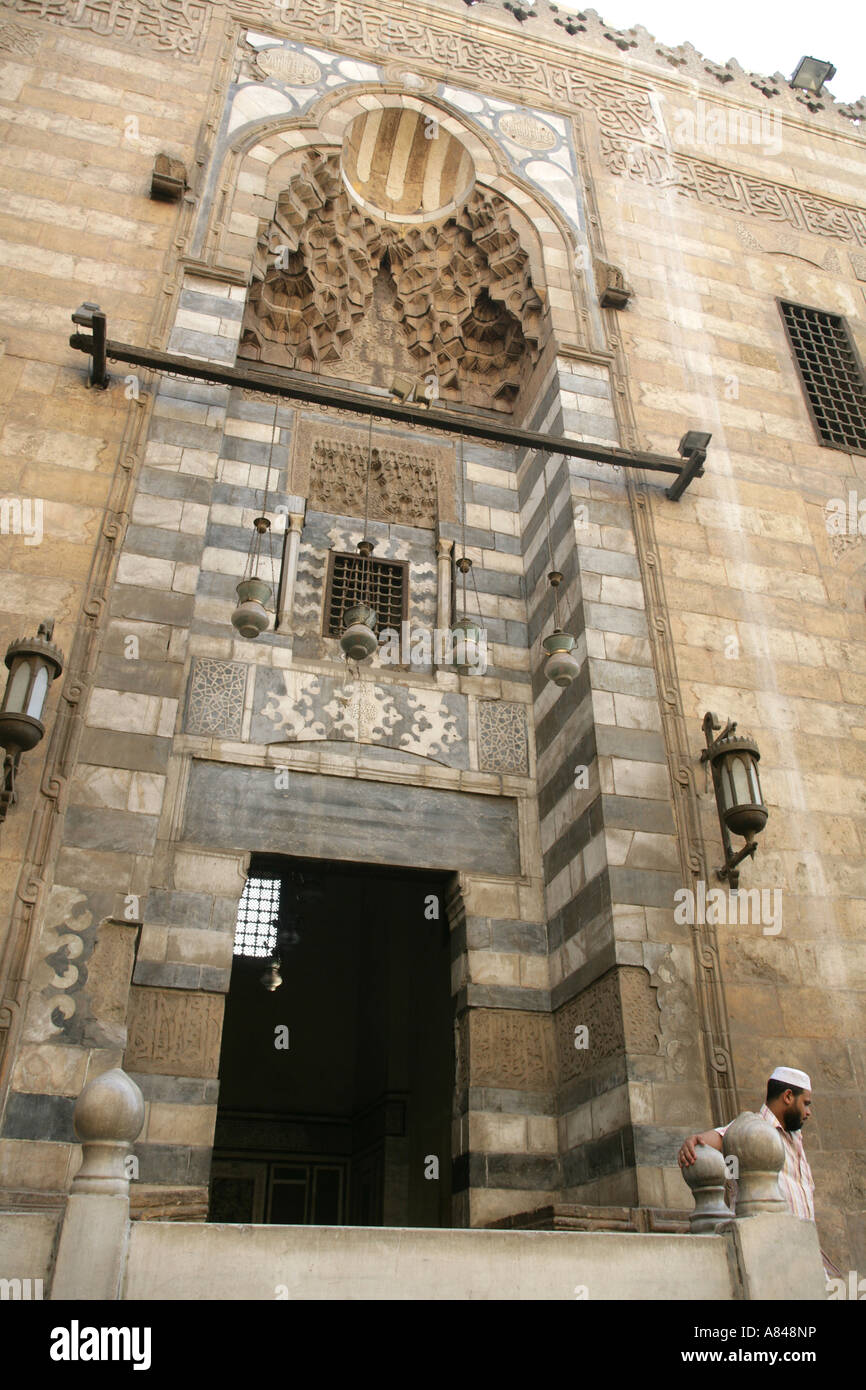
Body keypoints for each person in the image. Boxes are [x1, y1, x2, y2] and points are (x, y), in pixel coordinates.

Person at [677, 1066, 838, 1275]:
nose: (808, 1112)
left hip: (803, 1259)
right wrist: (692, 1142)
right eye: (805, 1103)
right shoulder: (750, 1130)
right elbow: (708, 1142)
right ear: (788, 1096)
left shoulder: (794, 1138)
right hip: (769, 1258)